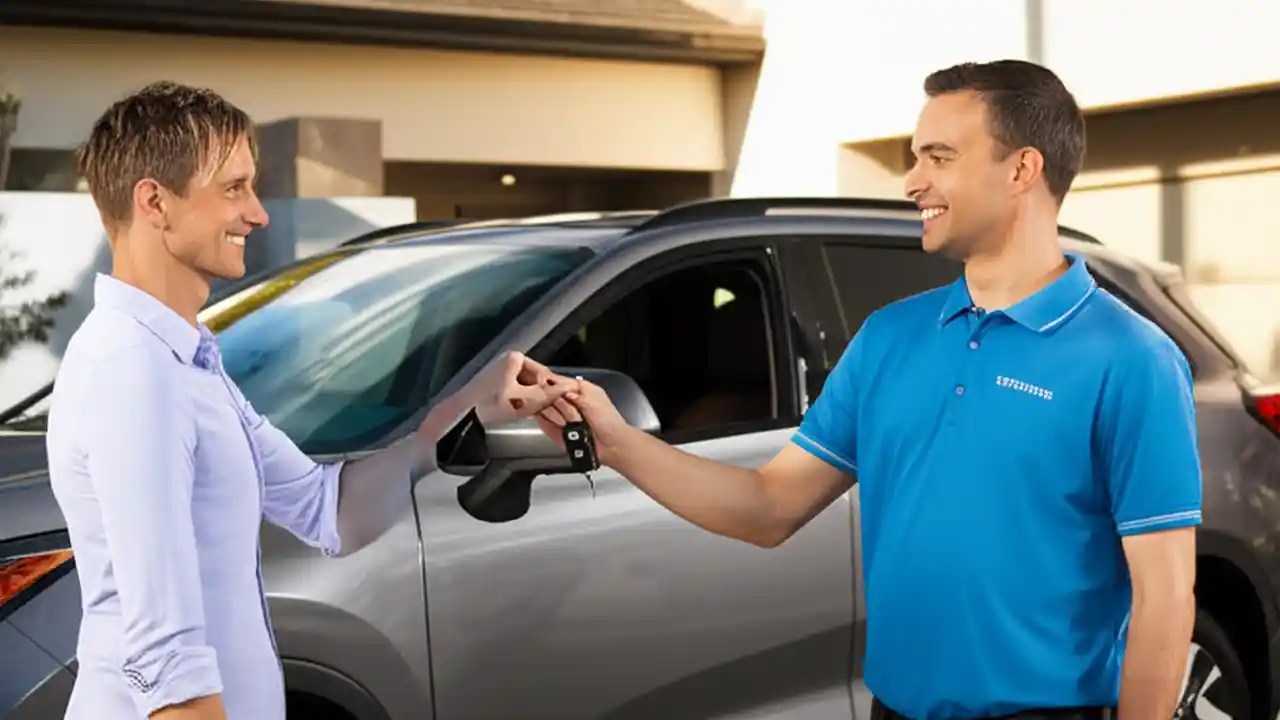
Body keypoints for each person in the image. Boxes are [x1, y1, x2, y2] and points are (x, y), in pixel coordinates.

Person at [539, 60, 1201, 720]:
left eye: (939, 157)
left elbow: (1166, 597)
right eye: (916, 158)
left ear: (1022, 170)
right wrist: (614, 442)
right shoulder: (890, 338)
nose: (914, 182)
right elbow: (769, 507)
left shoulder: (1130, 359)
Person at [45, 81, 577, 720]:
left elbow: (331, 510)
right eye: (234, 189)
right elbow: (167, 661)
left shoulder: (186, 362)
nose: (259, 214)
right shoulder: (134, 373)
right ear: (154, 201)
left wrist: (468, 407)